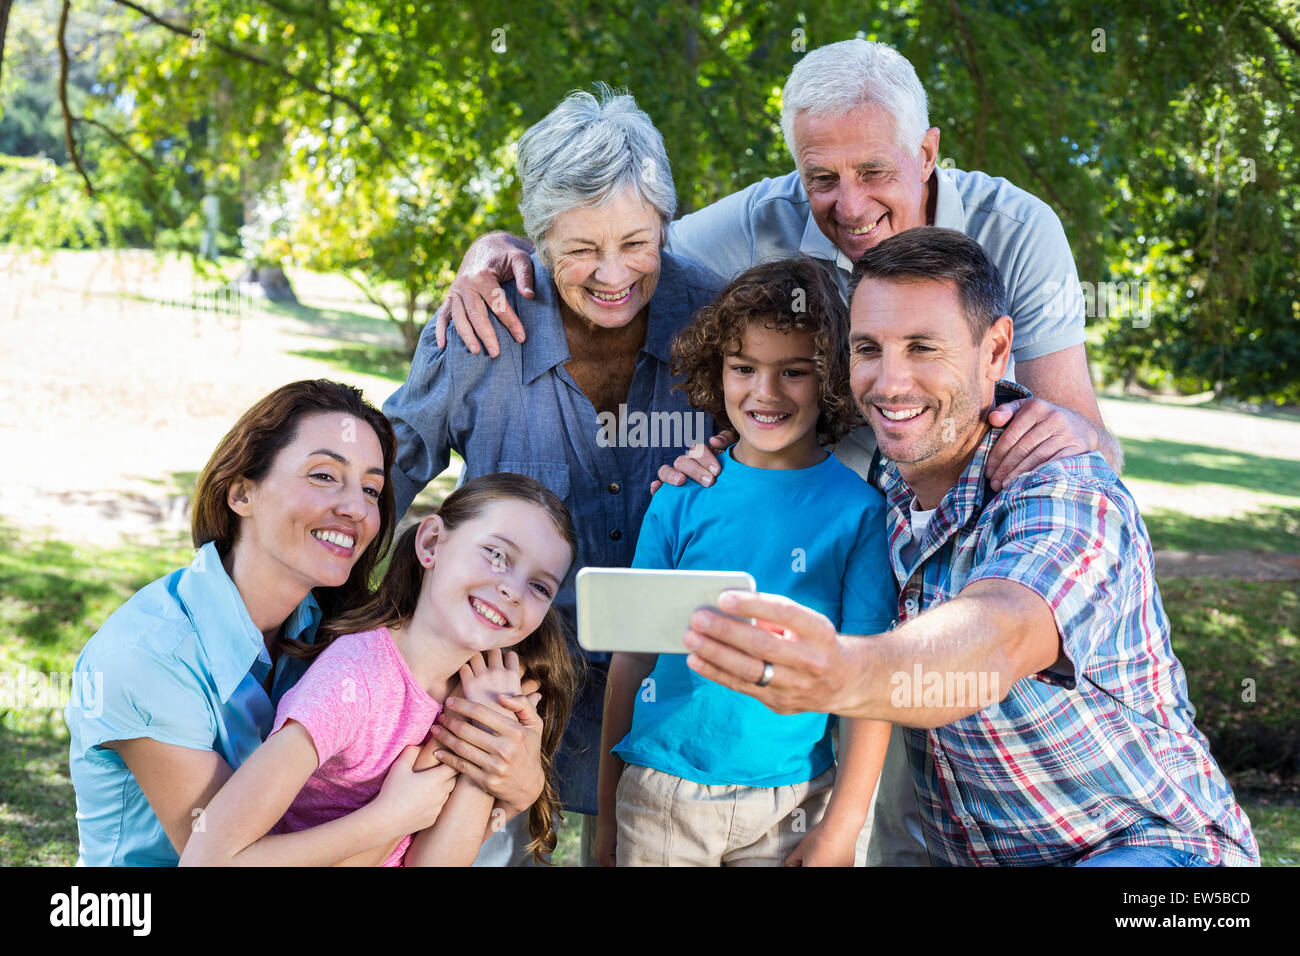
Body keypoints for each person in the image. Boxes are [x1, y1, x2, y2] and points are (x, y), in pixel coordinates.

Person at [431, 39, 1119, 862]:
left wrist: (1070, 443)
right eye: (821, 178)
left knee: (911, 773)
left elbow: (1084, 438)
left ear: (928, 152)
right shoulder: (754, 230)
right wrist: (503, 249)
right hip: (823, 563)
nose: (849, 203)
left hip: (949, 548)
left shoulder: (1016, 230)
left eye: (875, 172)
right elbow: (611, 235)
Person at [682, 227, 1259, 866]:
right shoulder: (880, 487)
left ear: (996, 351)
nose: (890, 382)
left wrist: (843, 672)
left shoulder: (1064, 490)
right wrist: (715, 469)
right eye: (867, 348)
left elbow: (998, 633)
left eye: (924, 347)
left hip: (1152, 852)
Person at [382, 87, 724, 864]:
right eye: (579, 249)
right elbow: (392, 471)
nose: (613, 275)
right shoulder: (478, 328)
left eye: (638, 243)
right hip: (500, 683)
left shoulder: (715, 317)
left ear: (666, 224)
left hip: (671, 694)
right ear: (537, 237)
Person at [64, 380, 544, 866]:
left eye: (371, 488)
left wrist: (517, 788)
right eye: (323, 476)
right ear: (241, 492)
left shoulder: (350, 633)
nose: (356, 508)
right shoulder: (147, 660)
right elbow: (220, 857)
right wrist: (392, 818)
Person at [596, 258, 896, 866]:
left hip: (796, 801)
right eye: (743, 368)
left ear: (833, 377)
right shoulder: (680, 496)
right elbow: (631, 659)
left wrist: (840, 829)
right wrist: (607, 816)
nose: (765, 392)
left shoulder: (861, 514)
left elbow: (870, 684)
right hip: (663, 794)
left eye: (795, 371)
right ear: (720, 371)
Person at [179, 474, 578, 866]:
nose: (513, 589)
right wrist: (388, 820)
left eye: (540, 587)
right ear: (431, 543)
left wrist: (485, 738)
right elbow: (206, 859)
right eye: (496, 555)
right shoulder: (353, 682)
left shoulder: (484, 691)